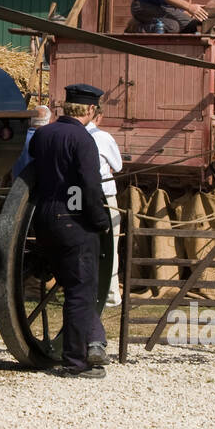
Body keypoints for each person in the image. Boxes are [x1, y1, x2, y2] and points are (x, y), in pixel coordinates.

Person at [28, 83, 113, 378]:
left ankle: (90, 346)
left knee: (70, 283)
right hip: (74, 221)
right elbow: (89, 187)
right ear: (90, 110)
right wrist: (100, 221)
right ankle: (76, 362)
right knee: (80, 292)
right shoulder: (84, 140)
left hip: (44, 219)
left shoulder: (42, 135)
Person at [86, 104, 124, 307]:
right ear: (97, 117)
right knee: (111, 244)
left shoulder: (73, 135)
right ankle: (110, 294)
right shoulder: (103, 137)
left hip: (78, 194)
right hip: (104, 195)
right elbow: (117, 166)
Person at [12, 105, 52, 178]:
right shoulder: (48, 141)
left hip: (17, 185)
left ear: (30, 121)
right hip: (37, 186)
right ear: (48, 121)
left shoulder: (18, 140)